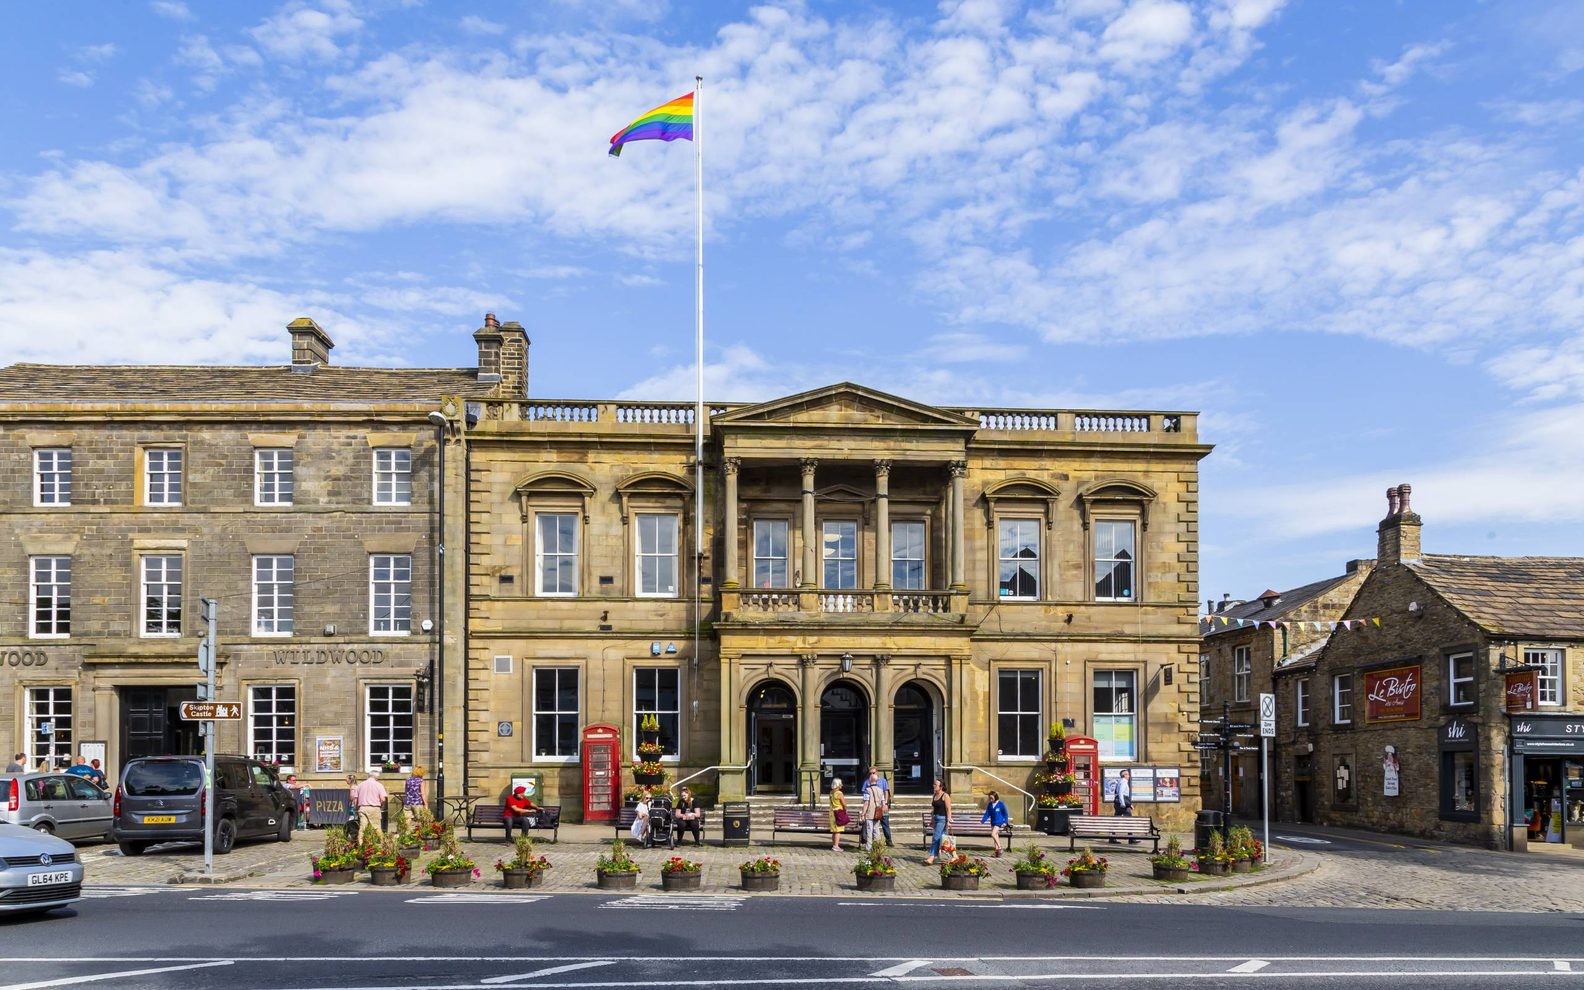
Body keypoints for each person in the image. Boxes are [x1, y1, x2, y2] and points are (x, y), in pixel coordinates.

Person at [350, 770, 388, 841]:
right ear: (376, 778)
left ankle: (361, 846)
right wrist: (380, 806)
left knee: (362, 829)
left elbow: (355, 800)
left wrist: (357, 808)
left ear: (369, 776)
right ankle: (383, 844)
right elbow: (383, 799)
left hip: (362, 808)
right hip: (374, 808)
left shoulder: (360, 785)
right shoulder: (379, 785)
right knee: (376, 827)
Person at [860, 767, 892, 846]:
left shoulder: (883, 781)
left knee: (884, 823)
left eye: (873, 773)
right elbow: (865, 796)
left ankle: (888, 840)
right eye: (870, 773)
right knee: (873, 827)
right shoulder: (867, 782)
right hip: (871, 807)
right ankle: (870, 842)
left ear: (877, 772)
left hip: (881, 806)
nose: (871, 774)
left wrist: (885, 804)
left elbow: (886, 792)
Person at [924, 777, 952, 865]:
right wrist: (931, 820)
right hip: (936, 819)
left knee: (935, 838)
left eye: (936, 784)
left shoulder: (945, 796)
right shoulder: (935, 795)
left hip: (942, 819)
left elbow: (948, 809)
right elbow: (934, 809)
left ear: (941, 786)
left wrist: (948, 821)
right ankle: (955, 856)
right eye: (934, 784)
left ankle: (931, 857)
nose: (934, 786)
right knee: (943, 839)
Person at [981, 790, 1010, 857]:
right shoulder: (990, 805)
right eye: (989, 798)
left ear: (995, 797)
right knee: (995, 837)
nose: (990, 799)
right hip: (993, 822)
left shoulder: (1000, 804)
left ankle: (1000, 848)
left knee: (993, 834)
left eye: (992, 798)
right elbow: (987, 813)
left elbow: (1005, 814)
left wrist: (1005, 822)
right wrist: (983, 820)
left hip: (999, 822)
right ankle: (997, 852)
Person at [1111, 769, 1136, 844]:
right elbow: (1121, 793)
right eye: (1127, 774)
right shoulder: (1124, 782)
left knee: (1116, 821)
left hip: (1118, 804)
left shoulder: (1119, 782)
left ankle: (1112, 838)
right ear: (1124, 775)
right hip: (1122, 805)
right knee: (1129, 821)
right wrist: (1123, 804)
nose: (1129, 776)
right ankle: (1131, 839)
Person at [828, 777, 849, 852]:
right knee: (838, 830)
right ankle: (836, 846)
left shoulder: (831, 793)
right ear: (837, 785)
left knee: (834, 830)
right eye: (840, 784)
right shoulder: (839, 793)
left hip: (832, 812)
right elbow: (844, 804)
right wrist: (845, 810)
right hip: (838, 812)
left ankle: (834, 844)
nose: (842, 785)